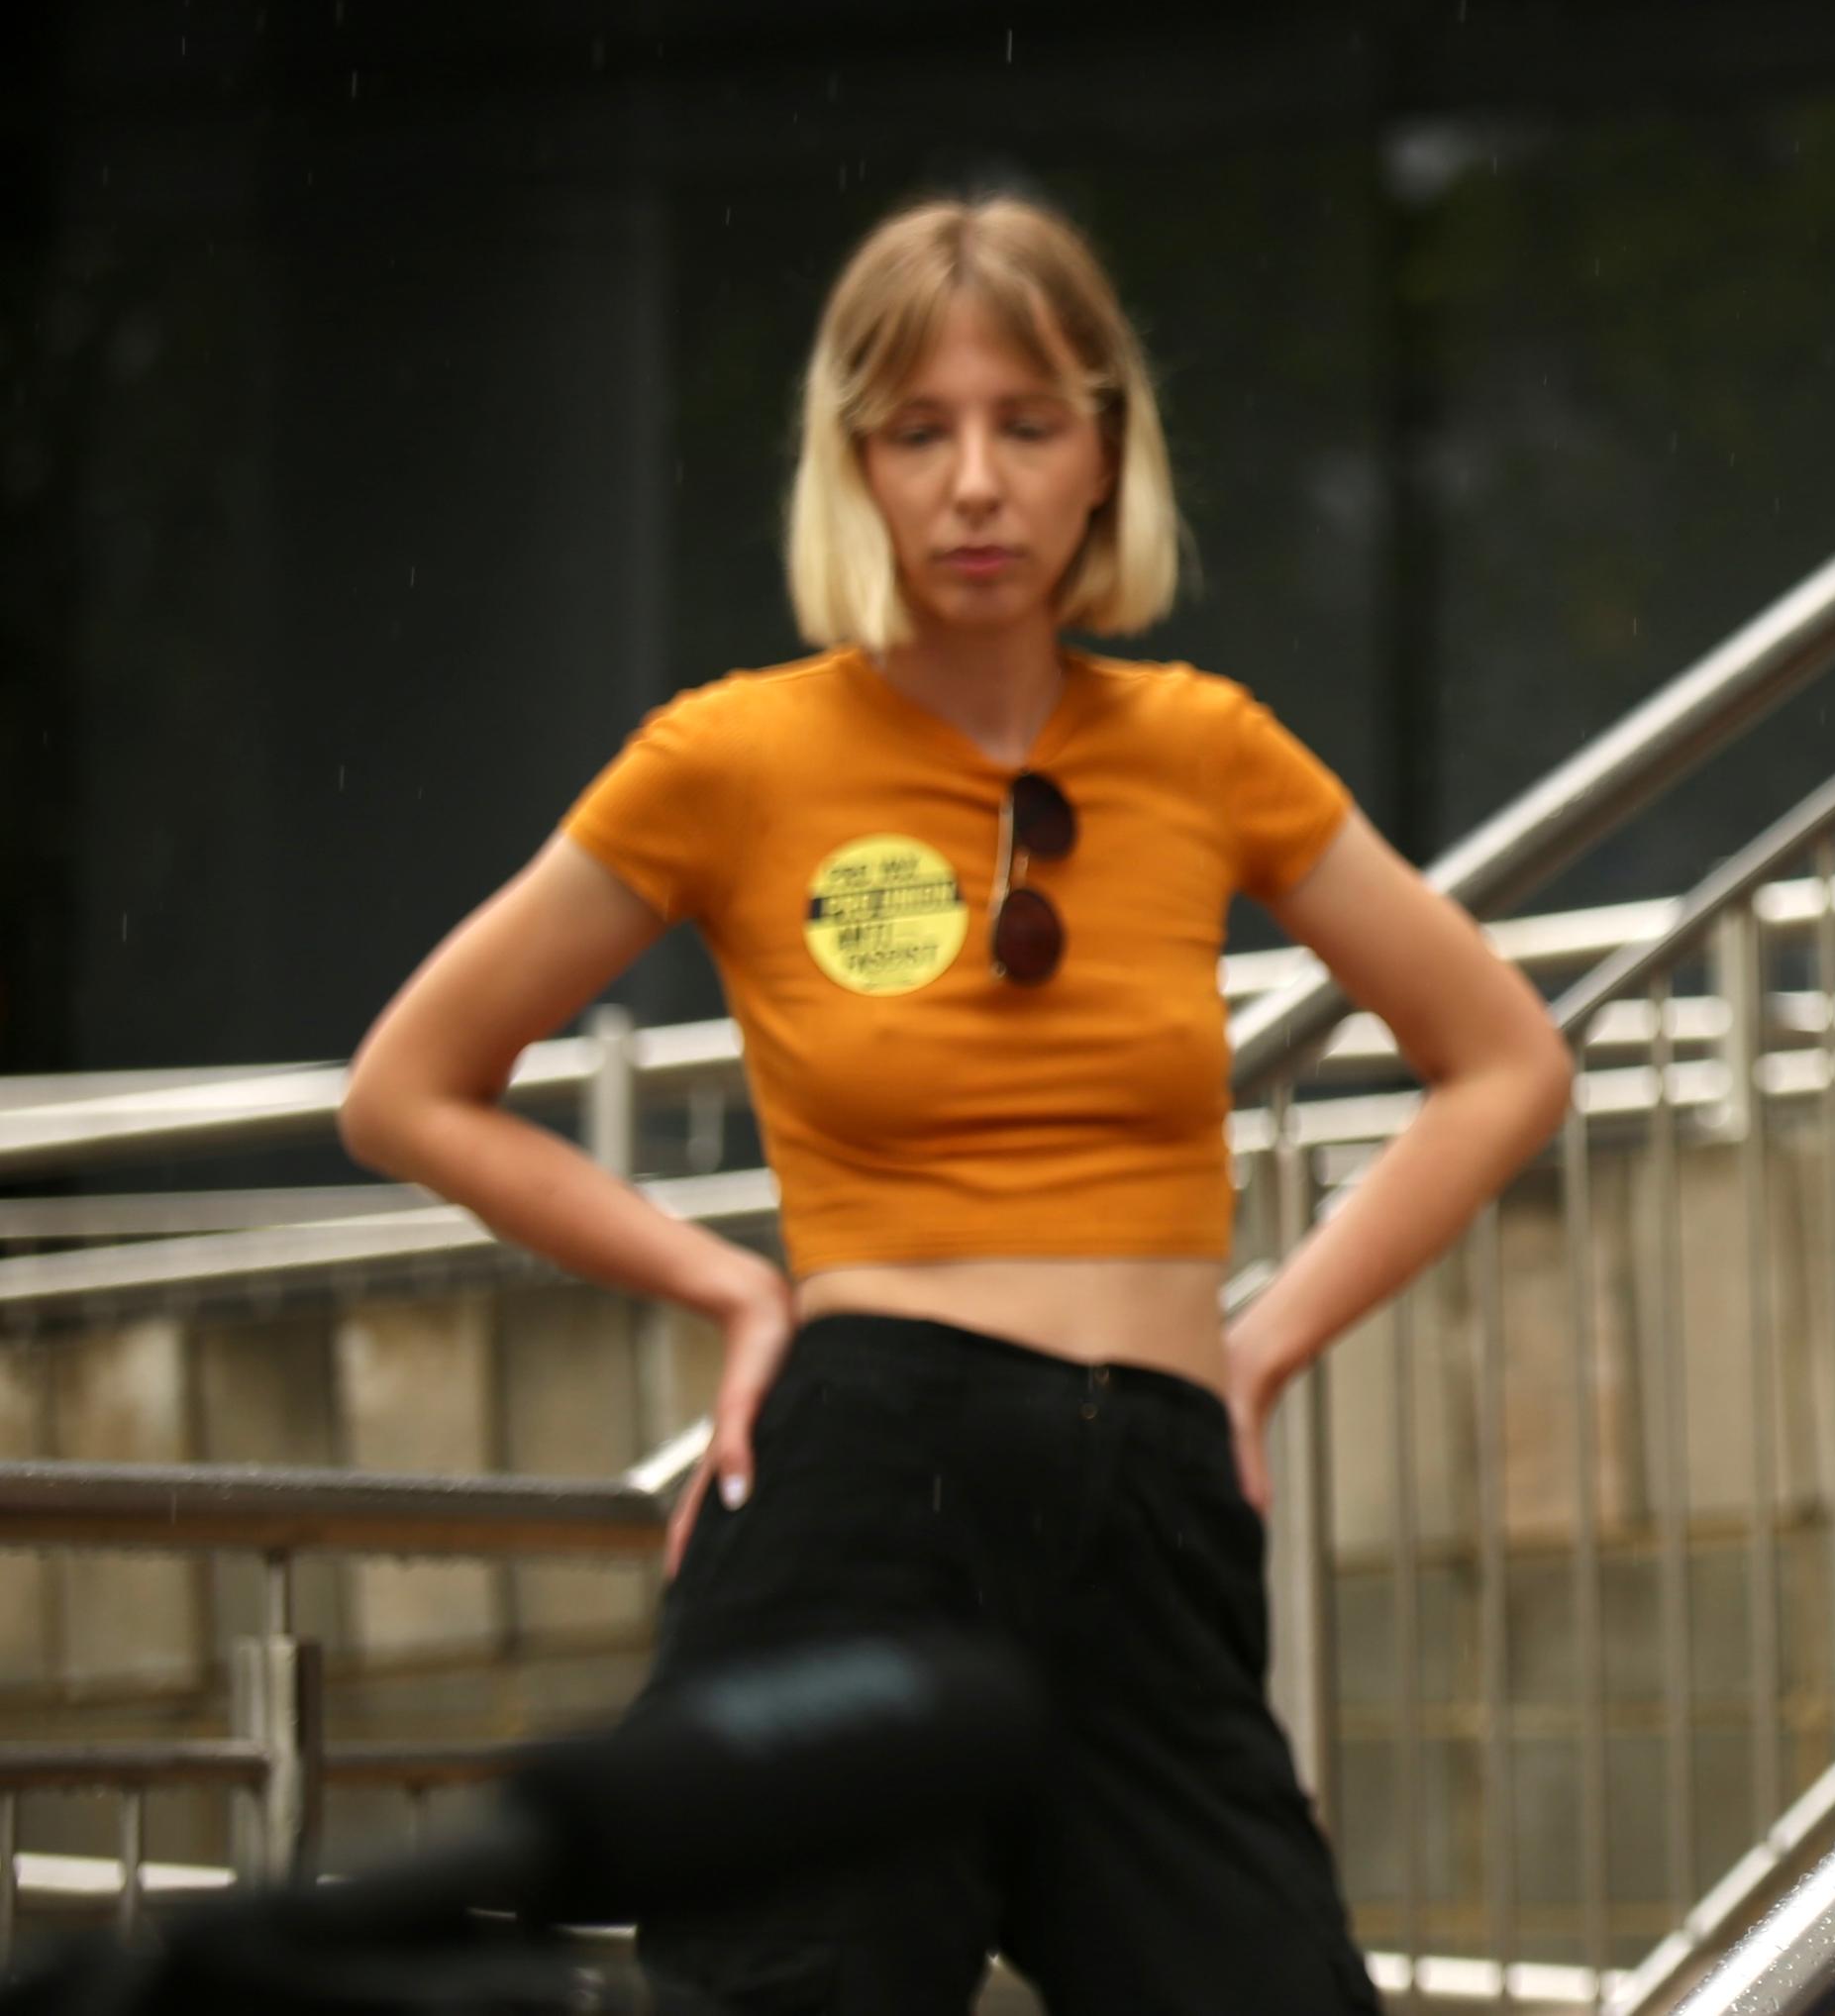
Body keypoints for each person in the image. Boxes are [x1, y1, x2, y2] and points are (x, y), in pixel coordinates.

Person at [341, 195, 1577, 2015]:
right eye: (919, 432)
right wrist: (733, 1289)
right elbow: (410, 1090)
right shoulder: (731, 757)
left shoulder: (1207, 747)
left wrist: (1260, 1348)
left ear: (1108, 455)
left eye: (1028, 423)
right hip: (864, 1487)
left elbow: (1506, 1059)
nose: (976, 482)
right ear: (854, 468)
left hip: (1151, 1509)